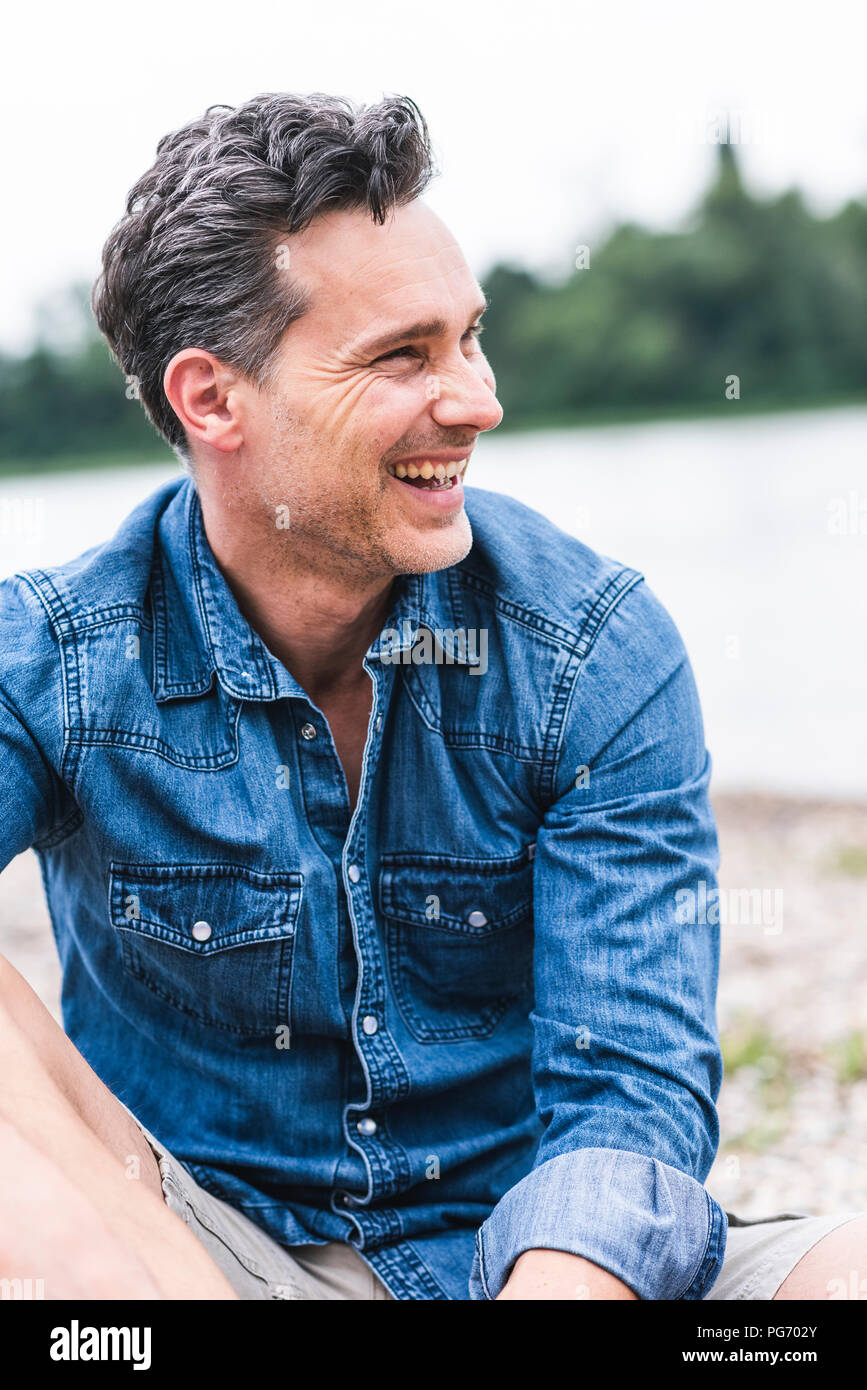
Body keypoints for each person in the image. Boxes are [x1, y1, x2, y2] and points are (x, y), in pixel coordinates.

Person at [0, 91, 862, 1301]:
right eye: (403, 355)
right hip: (201, 1262)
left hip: (550, 1264)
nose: (476, 399)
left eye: (469, 337)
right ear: (212, 399)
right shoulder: (56, 657)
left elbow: (630, 1095)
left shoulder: (589, 645)